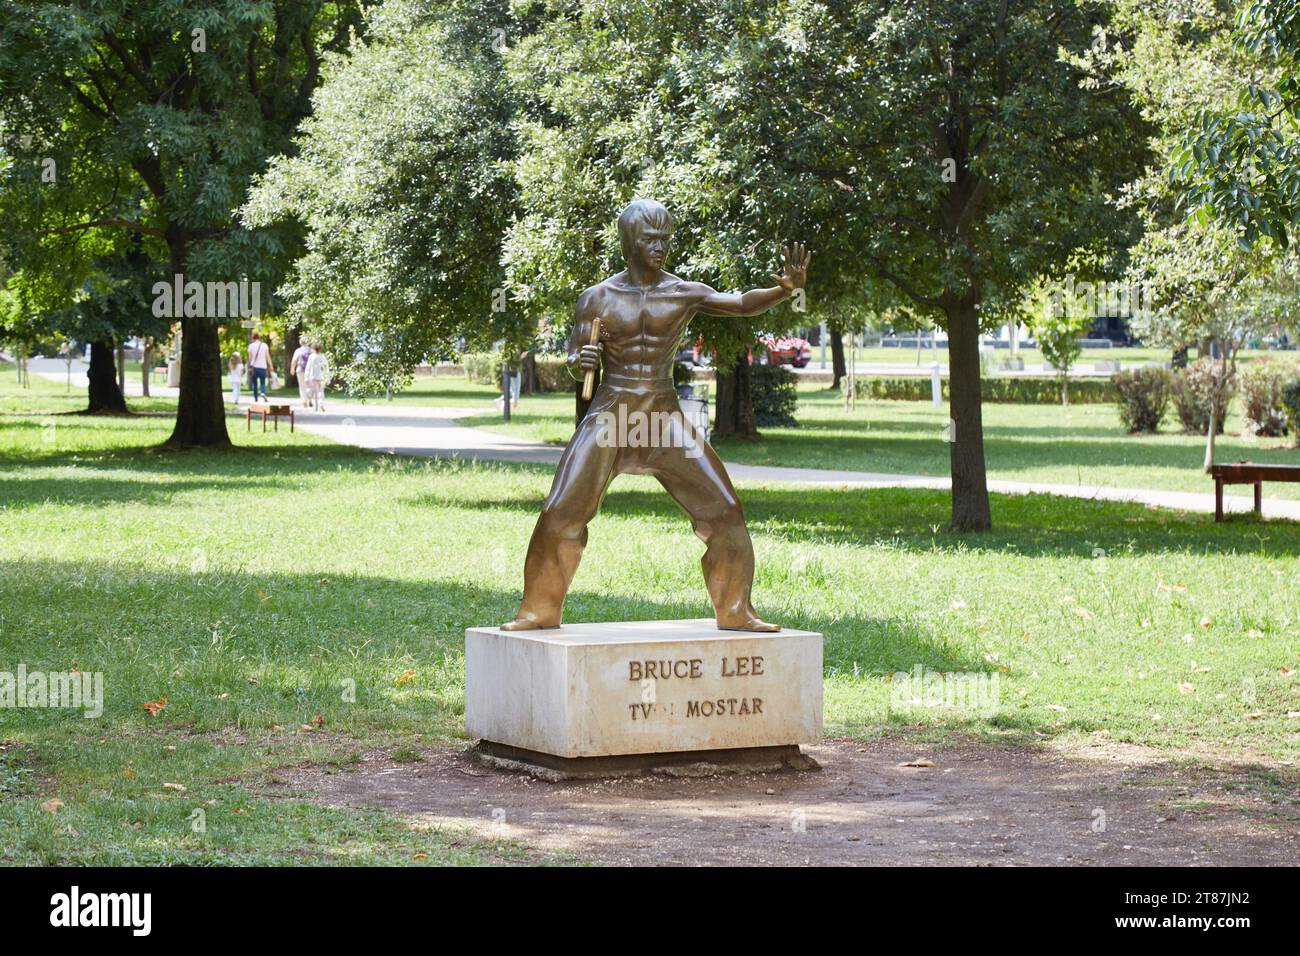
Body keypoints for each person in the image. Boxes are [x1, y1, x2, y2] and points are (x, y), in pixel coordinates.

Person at [501, 199, 809, 633]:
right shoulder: (598, 298)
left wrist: (784, 290)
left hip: (663, 416)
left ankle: (736, 609)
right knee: (561, 511)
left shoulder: (682, 292)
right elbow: (575, 360)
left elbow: (740, 302)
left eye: (665, 239)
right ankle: (539, 610)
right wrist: (580, 358)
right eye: (650, 239)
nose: (660, 247)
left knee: (725, 509)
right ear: (630, 241)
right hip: (612, 412)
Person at [247, 331, 274, 402]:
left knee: (255, 383)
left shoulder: (251, 346)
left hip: (254, 367)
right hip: (263, 367)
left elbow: (250, 358)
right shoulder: (264, 345)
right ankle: (263, 392)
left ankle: (255, 399)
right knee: (262, 382)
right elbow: (268, 357)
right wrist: (271, 366)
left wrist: (249, 367)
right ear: (259, 338)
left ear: (253, 338)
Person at [304, 344, 330, 411]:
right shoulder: (323, 357)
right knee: (321, 391)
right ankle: (321, 404)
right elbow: (326, 367)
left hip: (313, 376)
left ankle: (313, 403)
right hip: (321, 376)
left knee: (312, 390)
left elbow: (308, 367)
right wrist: (327, 377)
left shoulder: (311, 357)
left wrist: (306, 377)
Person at [290, 340, 313, 408]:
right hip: (310, 370)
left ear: (300, 342)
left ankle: (304, 401)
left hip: (300, 369)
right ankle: (310, 399)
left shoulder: (298, 350)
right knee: (310, 386)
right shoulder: (311, 350)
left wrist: (292, 369)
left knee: (302, 386)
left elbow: (294, 361)